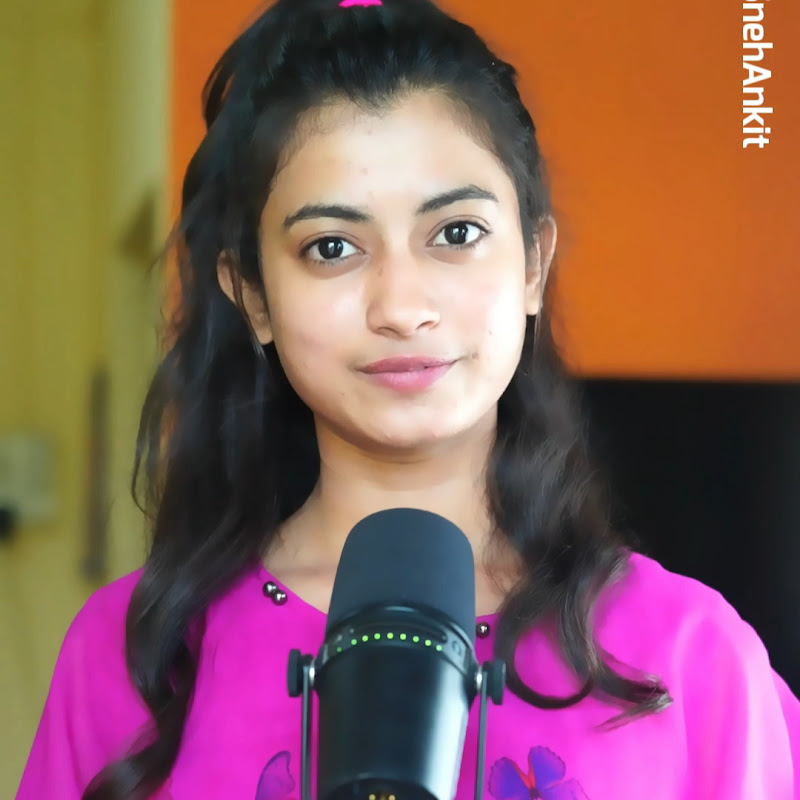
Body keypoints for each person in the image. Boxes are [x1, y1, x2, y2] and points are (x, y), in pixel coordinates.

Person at [17, 0, 799, 797]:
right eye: (332, 247)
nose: (401, 306)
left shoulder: (691, 659)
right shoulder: (130, 660)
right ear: (252, 295)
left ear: (533, 264)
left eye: (456, 233)